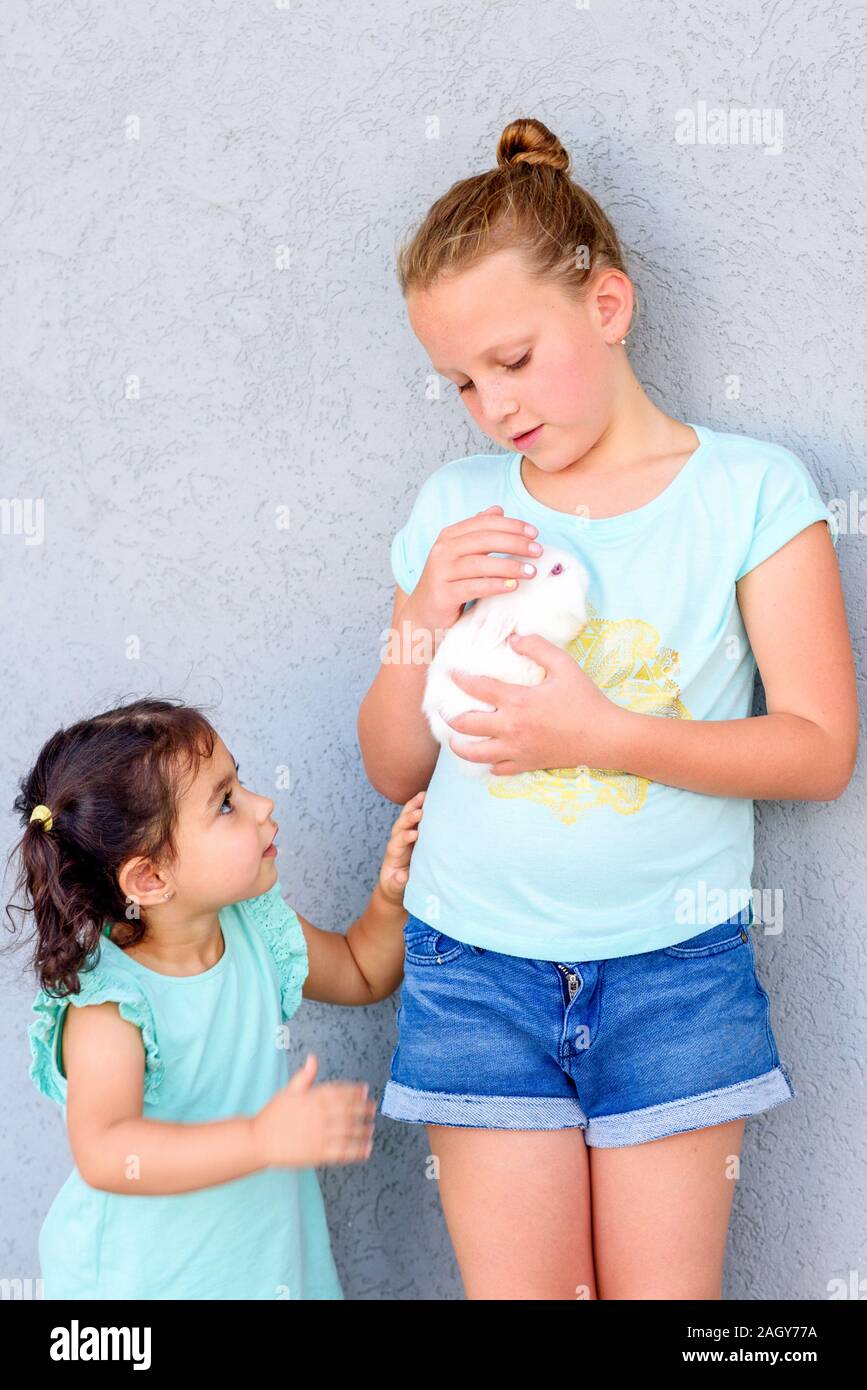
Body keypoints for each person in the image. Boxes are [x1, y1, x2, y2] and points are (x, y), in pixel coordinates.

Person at [357, 116, 858, 1299]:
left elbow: (820, 746)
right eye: (463, 380)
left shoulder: (749, 490)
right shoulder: (454, 506)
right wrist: (427, 600)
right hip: (474, 967)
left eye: (515, 360)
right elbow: (391, 761)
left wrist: (600, 735)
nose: (492, 404)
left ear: (609, 308)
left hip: (675, 973)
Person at [8, 696, 424, 1298]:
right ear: (150, 879)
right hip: (143, 1286)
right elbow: (106, 1150)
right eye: (226, 802)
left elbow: (362, 971)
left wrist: (390, 896)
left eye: (242, 782)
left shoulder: (256, 927)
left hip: (265, 1269)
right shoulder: (110, 1002)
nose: (263, 805)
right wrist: (261, 1139)